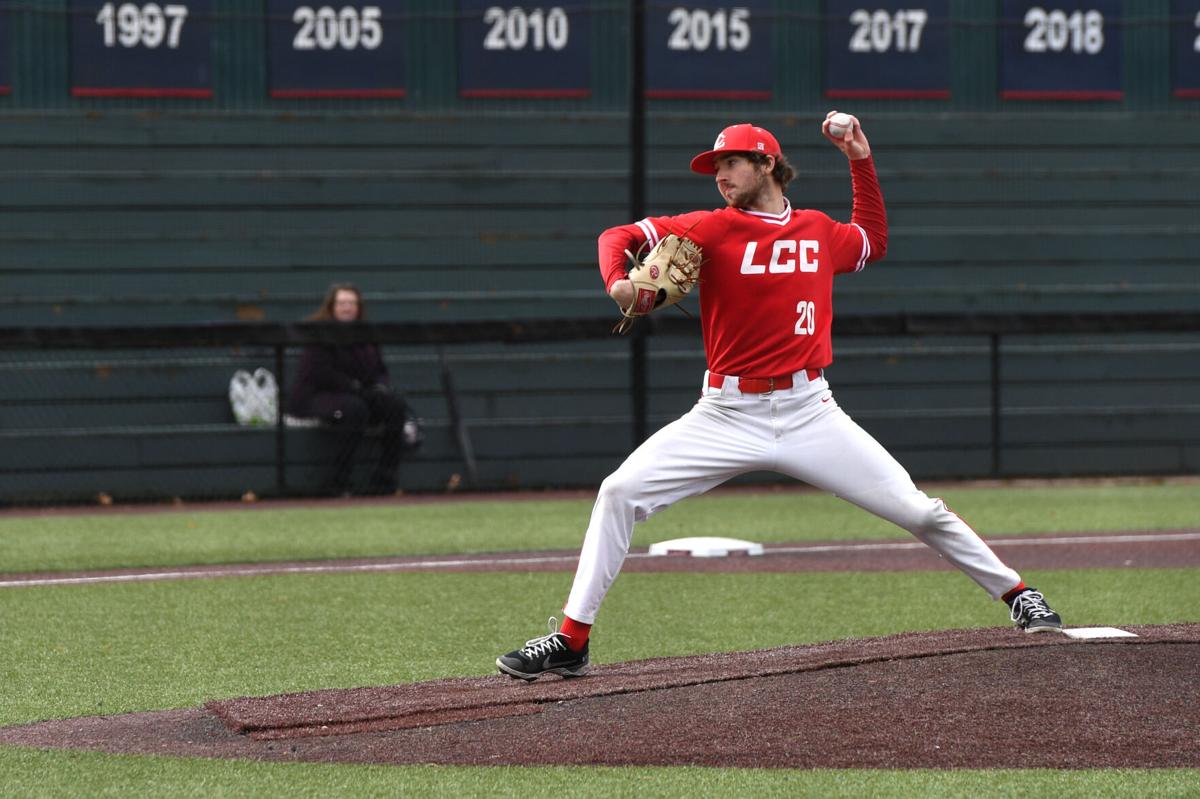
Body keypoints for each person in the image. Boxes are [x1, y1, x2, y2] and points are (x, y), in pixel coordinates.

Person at [496, 114, 1063, 681]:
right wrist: (618, 282)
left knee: (918, 509)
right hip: (724, 413)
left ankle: (1018, 593)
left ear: (767, 164)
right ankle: (572, 639)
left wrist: (860, 160)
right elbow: (614, 237)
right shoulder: (709, 229)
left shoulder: (817, 229)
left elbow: (872, 241)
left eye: (732, 163)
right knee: (618, 491)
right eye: (715, 166)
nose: (720, 175)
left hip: (809, 410)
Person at [290, 283, 414, 495]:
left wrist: (379, 387)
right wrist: (354, 387)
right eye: (341, 303)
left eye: (351, 303)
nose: (346, 308)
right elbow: (320, 373)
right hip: (318, 397)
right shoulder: (320, 334)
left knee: (395, 406)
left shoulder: (366, 334)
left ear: (358, 307)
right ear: (332, 307)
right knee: (355, 410)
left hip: (359, 394)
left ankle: (385, 477)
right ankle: (338, 481)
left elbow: (380, 370)